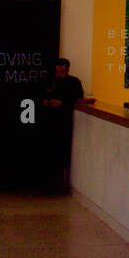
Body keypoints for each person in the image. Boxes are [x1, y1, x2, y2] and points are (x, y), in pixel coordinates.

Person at [39, 58, 95, 189]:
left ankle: (60, 184)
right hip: (48, 122)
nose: (59, 74)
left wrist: (62, 103)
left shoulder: (74, 82)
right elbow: (39, 96)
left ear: (67, 70)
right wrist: (46, 102)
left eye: (62, 72)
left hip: (63, 122)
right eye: (57, 71)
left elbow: (78, 99)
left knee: (62, 152)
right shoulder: (48, 81)